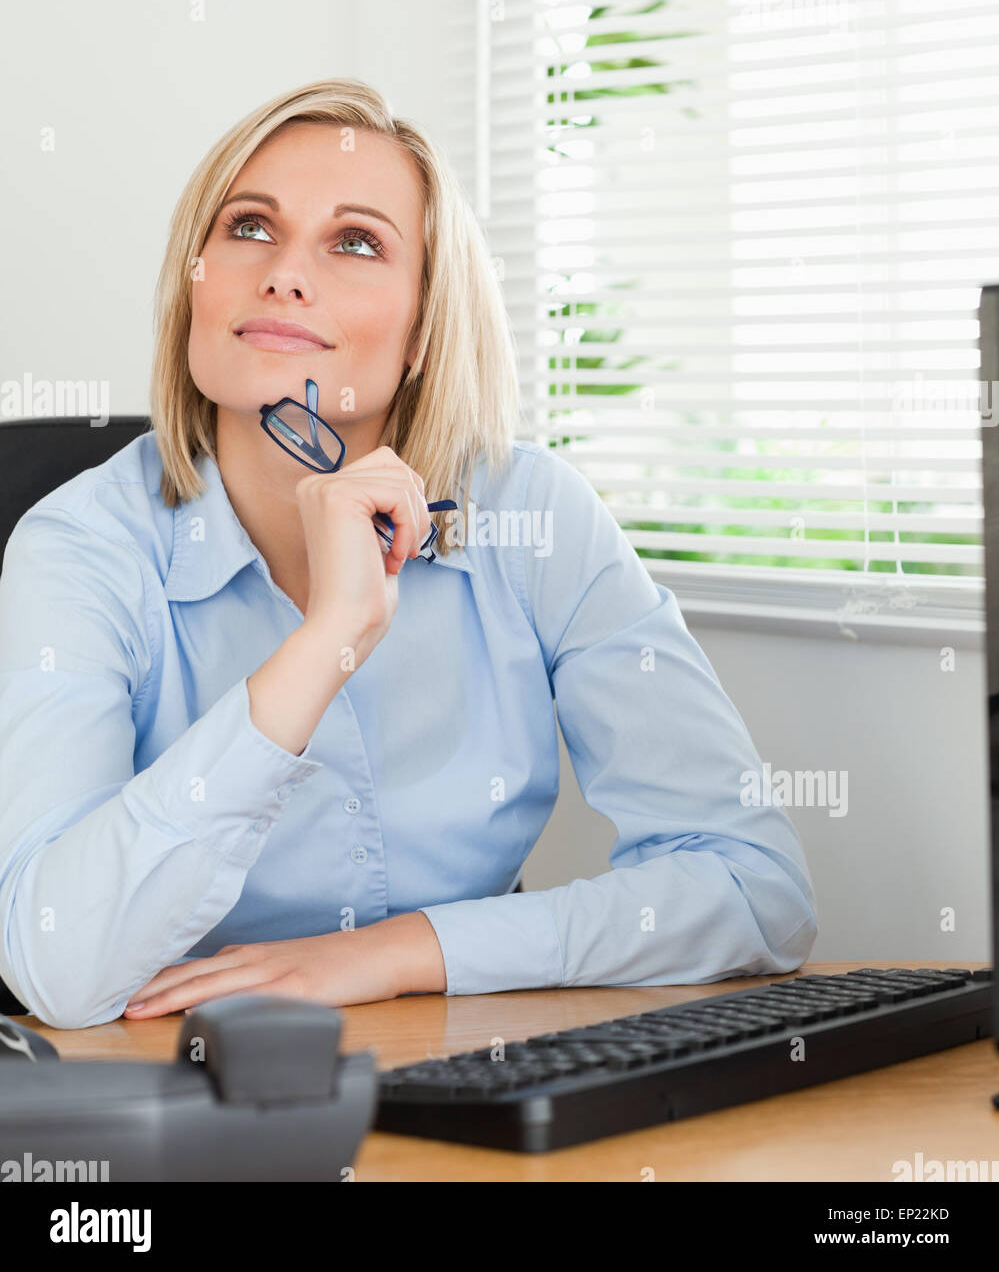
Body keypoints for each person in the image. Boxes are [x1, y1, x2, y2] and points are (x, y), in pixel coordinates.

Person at [0, 78, 818, 1030]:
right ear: (195, 282)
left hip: (469, 1063)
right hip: (187, 1092)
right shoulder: (81, 547)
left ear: (427, 328)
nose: (284, 273)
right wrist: (327, 641)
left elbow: (757, 888)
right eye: (249, 227)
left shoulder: (533, 514)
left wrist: (392, 954)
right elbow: (57, 965)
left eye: (355, 242)